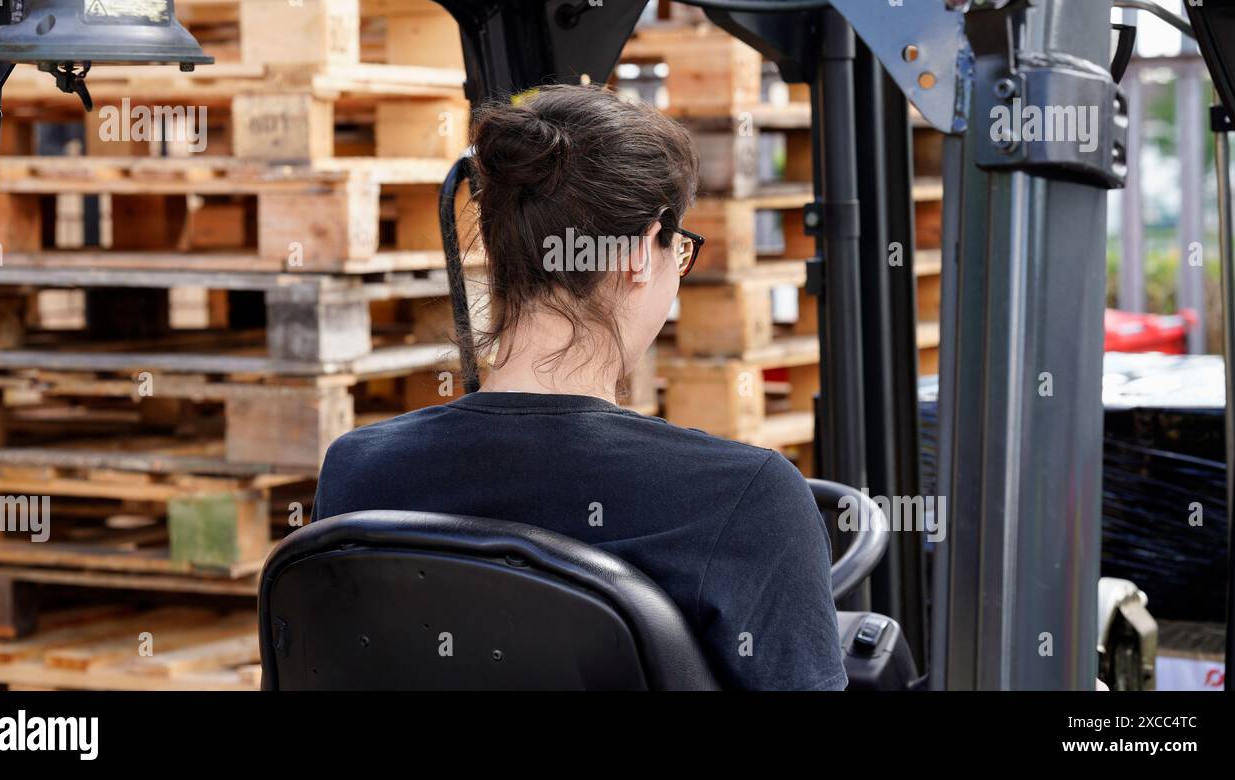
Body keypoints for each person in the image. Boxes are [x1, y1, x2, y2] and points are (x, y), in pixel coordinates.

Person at [313, 82, 847, 690]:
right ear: (643, 253)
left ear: (493, 243)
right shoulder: (747, 499)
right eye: (682, 251)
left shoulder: (359, 474)